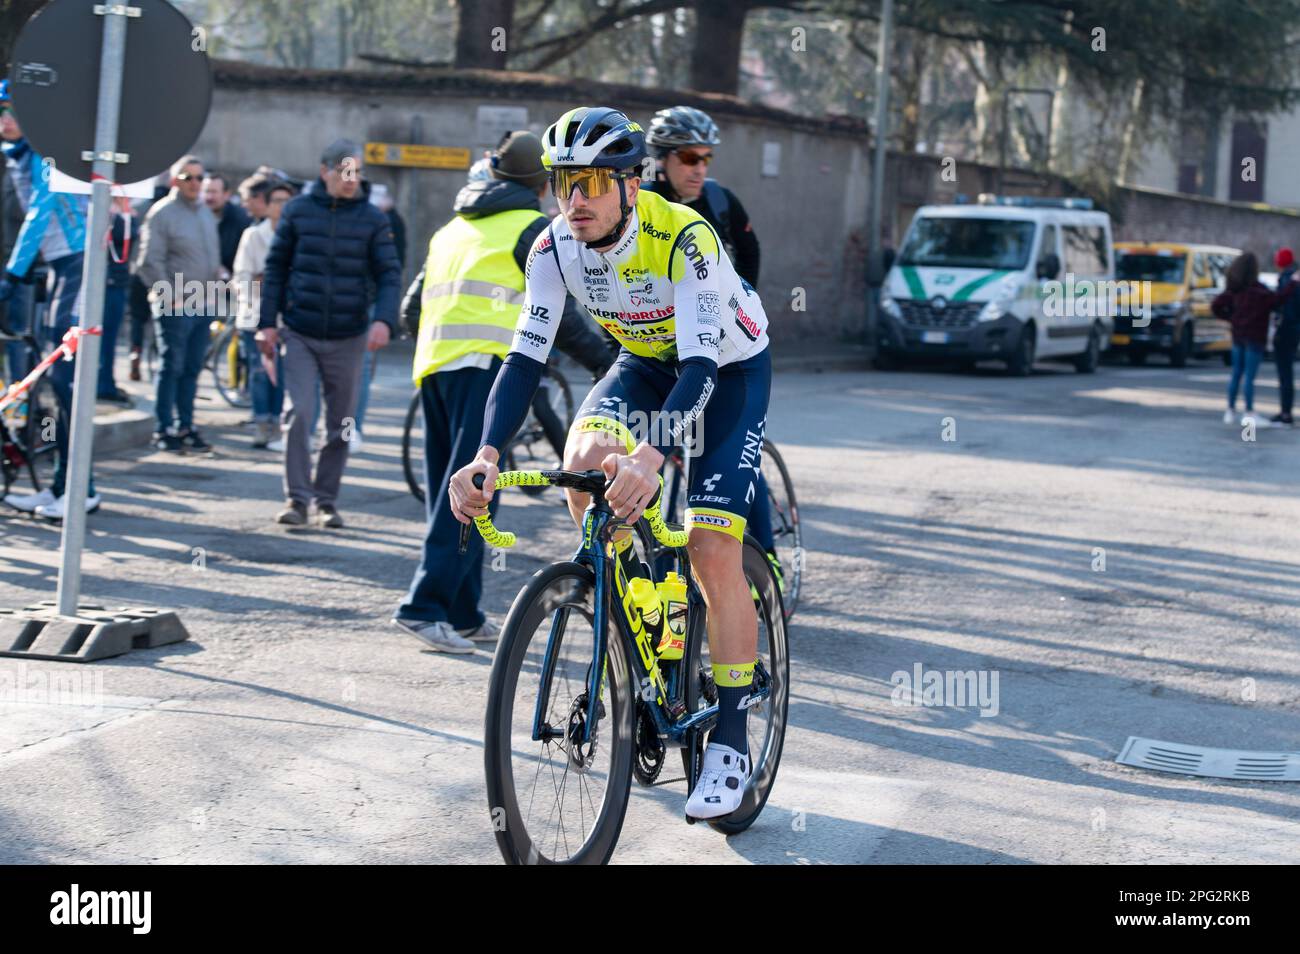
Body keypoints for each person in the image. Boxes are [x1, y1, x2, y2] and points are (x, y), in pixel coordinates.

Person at [449, 106, 772, 819]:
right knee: (586, 462)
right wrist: (483, 455)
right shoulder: (551, 247)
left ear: (631, 184)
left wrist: (652, 456)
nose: (577, 198)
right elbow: (522, 360)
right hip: (644, 363)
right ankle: (645, 597)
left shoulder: (684, 238)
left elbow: (699, 367)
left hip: (724, 371)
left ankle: (731, 739)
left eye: (595, 182)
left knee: (715, 547)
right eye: (566, 181)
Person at [392, 130, 613, 653]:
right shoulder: (532, 229)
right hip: (488, 368)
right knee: (473, 488)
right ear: (542, 185)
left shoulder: (451, 228)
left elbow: (409, 310)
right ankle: (422, 608)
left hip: (436, 366)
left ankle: (463, 612)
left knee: (462, 488)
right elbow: (563, 318)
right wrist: (607, 365)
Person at [642, 105, 784, 586]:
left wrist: (743, 306)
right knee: (650, 456)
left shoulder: (720, 200)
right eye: (687, 157)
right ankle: (660, 570)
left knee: (735, 458)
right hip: (664, 353)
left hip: (723, 351)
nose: (700, 166)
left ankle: (764, 561)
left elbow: (753, 248)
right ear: (659, 160)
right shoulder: (637, 206)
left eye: (705, 156)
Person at [257, 138, 400, 528]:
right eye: (345, 171)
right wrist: (266, 323)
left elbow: (389, 274)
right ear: (325, 172)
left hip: (349, 333)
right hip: (299, 330)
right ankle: (297, 499)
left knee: (342, 424)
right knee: (300, 413)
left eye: (358, 172)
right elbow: (275, 269)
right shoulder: (298, 212)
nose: (352, 180)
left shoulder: (373, 219)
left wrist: (384, 319)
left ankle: (326, 501)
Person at [0, 78, 99, 521]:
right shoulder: (18, 154)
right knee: (56, 381)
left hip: (77, 262)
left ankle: (81, 490)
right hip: (61, 266)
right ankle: (61, 485)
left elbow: (41, 211)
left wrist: (14, 274)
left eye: (9, 111)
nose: (3, 120)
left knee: (66, 381)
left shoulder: (44, 153)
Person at [136, 154, 222, 452]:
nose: (195, 183)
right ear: (175, 180)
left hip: (204, 301)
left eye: (200, 177)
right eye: (189, 177)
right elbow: (148, 262)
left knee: (192, 367)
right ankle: (164, 428)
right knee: (171, 365)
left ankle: (186, 425)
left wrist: (220, 274)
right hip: (175, 303)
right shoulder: (162, 213)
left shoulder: (204, 213)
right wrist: (168, 295)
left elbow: (207, 257)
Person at [234, 175, 292, 449]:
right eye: (276, 201)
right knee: (258, 371)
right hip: (256, 314)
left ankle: (279, 426)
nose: (281, 206)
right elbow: (243, 276)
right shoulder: (254, 236)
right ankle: (261, 424)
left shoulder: (296, 234)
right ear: (266, 205)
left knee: (282, 375)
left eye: (286, 201)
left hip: (287, 316)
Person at [1212, 251, 1296, 428]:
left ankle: (1230, 410)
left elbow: (1216, 305)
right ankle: (1249, 411)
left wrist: (1231, 318)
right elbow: (1278, 300)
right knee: (1249, 376)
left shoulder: (1235, 290)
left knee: (1236, 373)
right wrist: (1294, 283)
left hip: (1238, 336)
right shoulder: (1259, 292)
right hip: (1255, 337)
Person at [97, 195, 135, 404]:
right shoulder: (108, 213)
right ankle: (102, 383)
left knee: (110, 336)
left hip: (119, 280)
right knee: (105, 336)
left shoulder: (122, 211)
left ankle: (106, 381)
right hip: (109, 282)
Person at [202, 172, 251, 279]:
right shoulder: (194, 218)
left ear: (226, 194)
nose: (209, 197)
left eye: (214, 192)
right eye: (206, 191)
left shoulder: (241, 220)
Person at [1272, 247, 1298, 427]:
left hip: (1287, 329)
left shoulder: (1287, 280)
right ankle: (1285, 410)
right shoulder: (1294, 277)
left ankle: (1286, 412)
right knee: (1287, 371)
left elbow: (1283, 305)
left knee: (1284, 372)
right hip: (1294, 328)